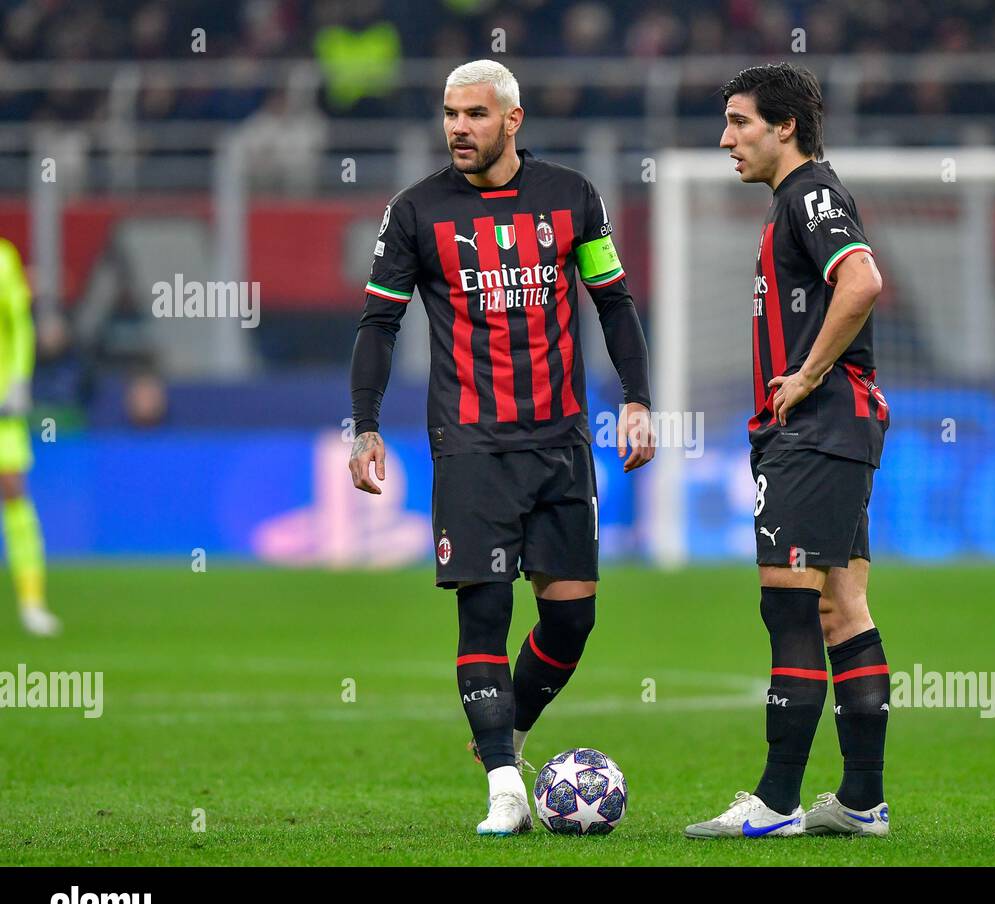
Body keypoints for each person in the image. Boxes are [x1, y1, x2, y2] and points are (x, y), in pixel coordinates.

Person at [347, 60, 654, 836]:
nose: (459, 128)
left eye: (476, 115)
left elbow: (613, 303)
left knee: (571, 622)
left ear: (512, 120)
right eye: (451, 114)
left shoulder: (572, 198)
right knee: (482, 617)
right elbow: (378, 325)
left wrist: (641, 400)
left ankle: (506, 736)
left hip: (560, 441)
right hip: (470, 445)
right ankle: (504, 786)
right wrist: (366, 422)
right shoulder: (416, 212)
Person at [686, 64, 889, 838]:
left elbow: (863, 281)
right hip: (841, 427)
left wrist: (806, 373)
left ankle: (774, 805)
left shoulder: (809, 195)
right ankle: (862, 801)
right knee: (842, 607)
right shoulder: (798, 200)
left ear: (785, 128)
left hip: (816, 428)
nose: (727, 138)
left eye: (740, 122)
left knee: (791, 606)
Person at [0, 237, 60, 637]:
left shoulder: (3, 259)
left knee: (13, 491)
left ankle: (32, 601)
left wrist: (19, 379)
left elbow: (19, 324)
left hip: (1, 406)